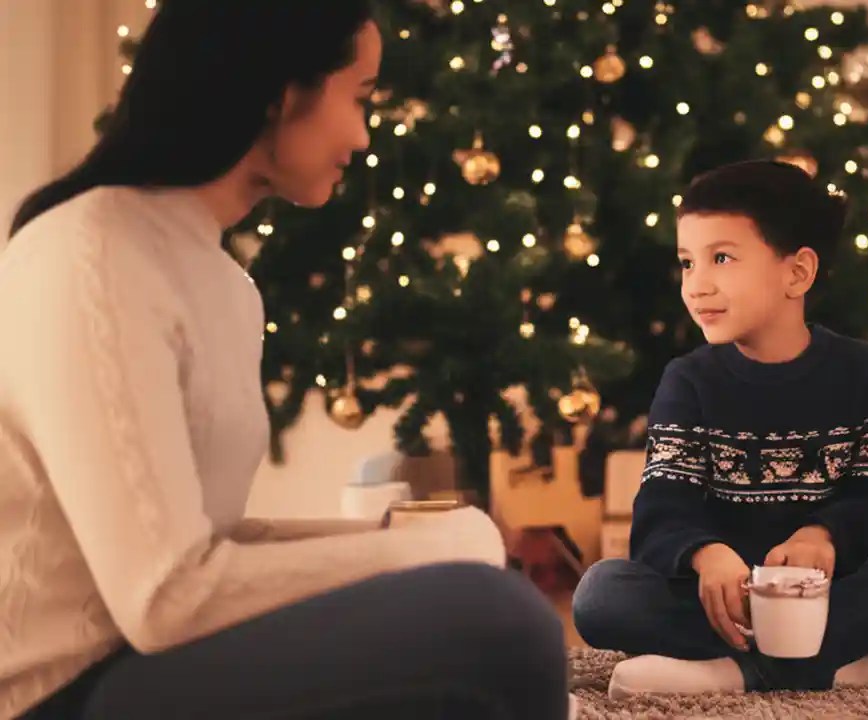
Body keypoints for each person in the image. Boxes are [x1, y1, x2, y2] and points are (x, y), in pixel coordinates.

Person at [0, 2, 571, 718]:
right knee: (499, 621)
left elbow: (212, 544)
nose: (364, 136)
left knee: (478, 607)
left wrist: (402, 539)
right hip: (53, 693)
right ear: (281, 92)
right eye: (359, 96)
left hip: (142, 663)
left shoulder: (225, 284)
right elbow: (166, 595)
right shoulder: (94, 251)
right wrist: (431, 553)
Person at [572, 160, 868, 697]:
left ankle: (739, 674)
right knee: (601, 594)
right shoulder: (687, 381)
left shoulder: (865, 372)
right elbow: (661, 512)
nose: (697, 285)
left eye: (721, 258)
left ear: (797, 273)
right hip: (728, 605)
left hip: (836, 596)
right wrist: (705, 552)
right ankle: (841, 667)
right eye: (686, 263)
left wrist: (825, 534)